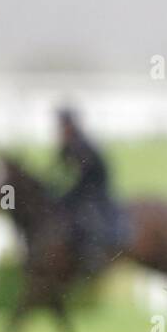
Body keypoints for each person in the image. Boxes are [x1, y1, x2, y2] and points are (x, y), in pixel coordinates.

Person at [55, 107, 120, 276]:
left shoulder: (81, 144)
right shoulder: (67, 145)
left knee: (86, 219)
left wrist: (68, 194)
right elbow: (58, 171)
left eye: (63, 124)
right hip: (81, 190)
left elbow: (85, 176)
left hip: (95, 191)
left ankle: (94, 257)